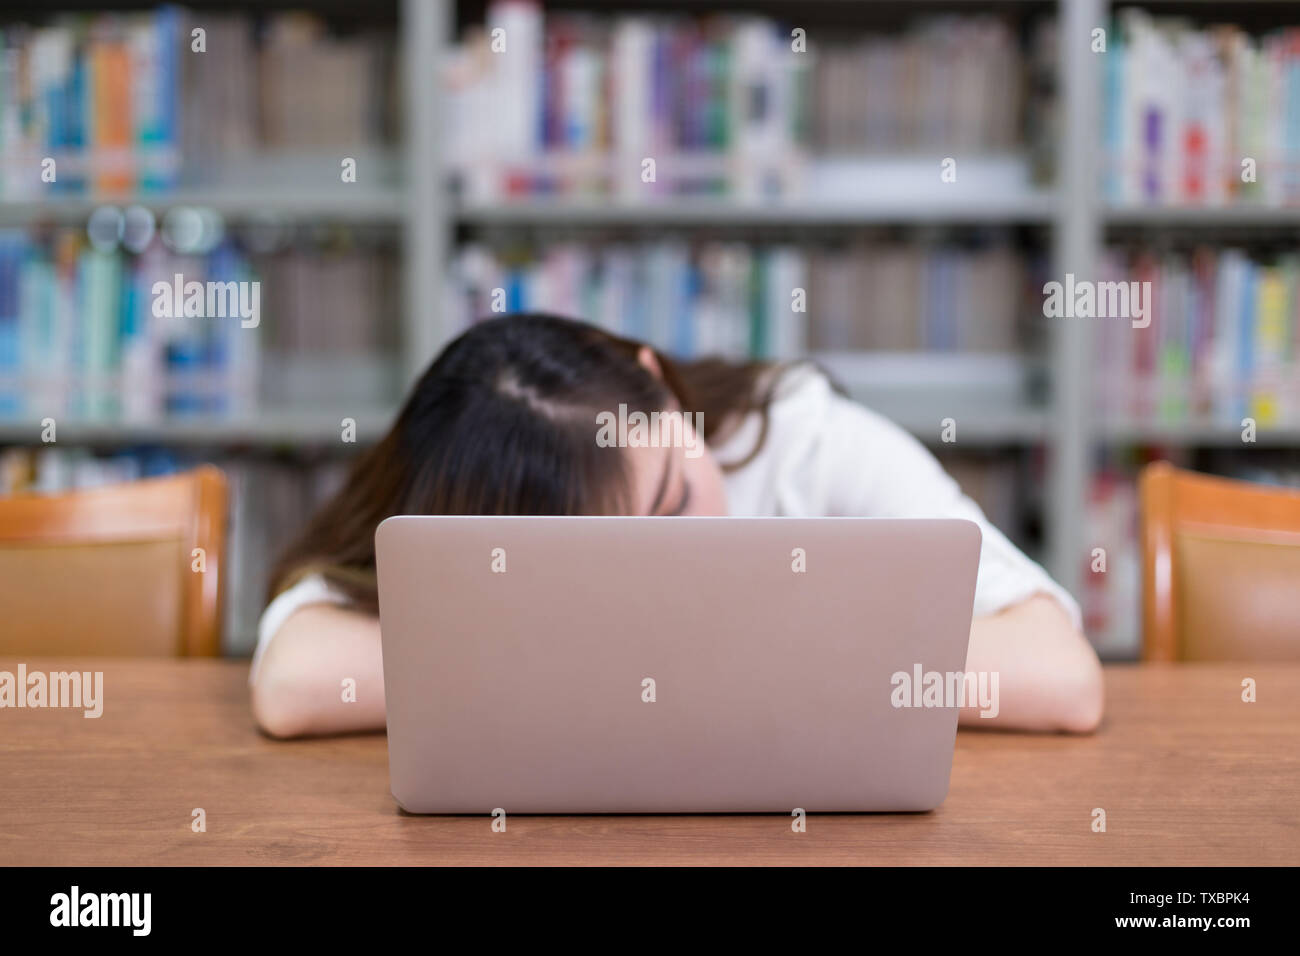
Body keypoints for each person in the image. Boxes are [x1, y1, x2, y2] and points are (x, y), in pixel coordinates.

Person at [251, 314, 1103, 738]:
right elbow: (296, 683)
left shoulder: (801, 437)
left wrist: (731, 656)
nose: (674, 555)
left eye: (672, 496)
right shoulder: (457, 527)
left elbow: (1059, 673)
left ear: (656, 384)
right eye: (602, 560)